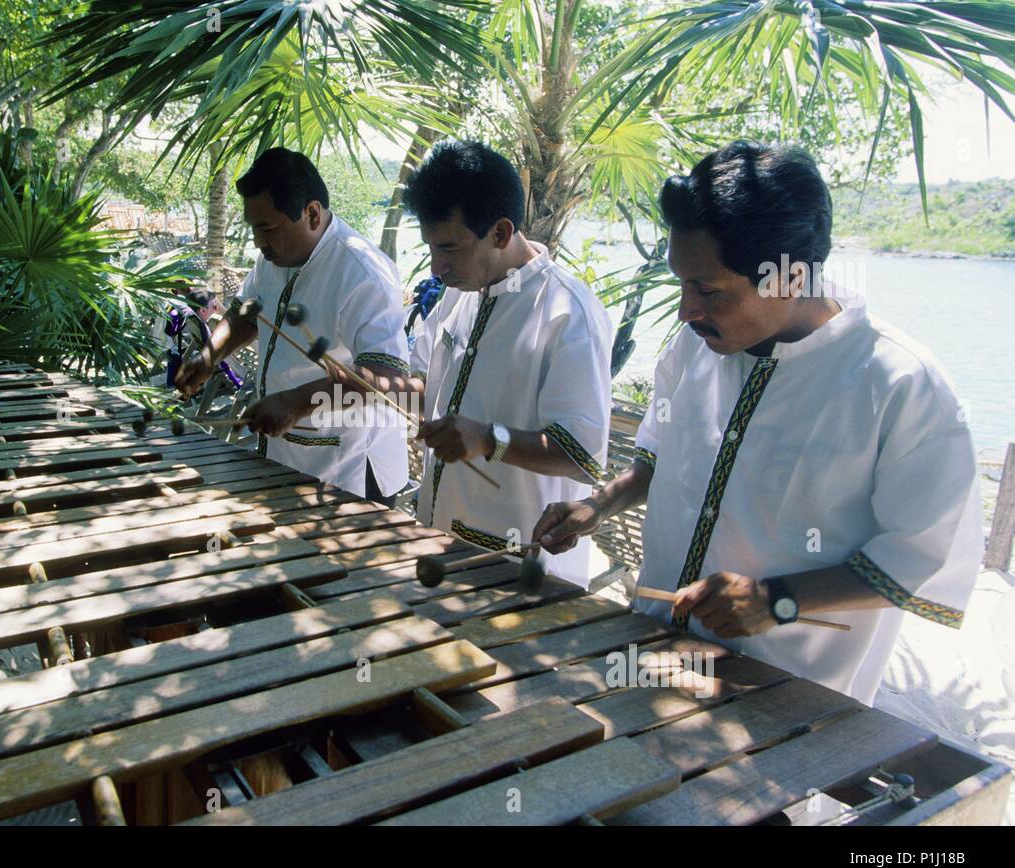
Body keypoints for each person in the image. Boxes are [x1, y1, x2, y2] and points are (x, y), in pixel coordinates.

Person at [532, 140, 983, 703]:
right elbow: (656, 456)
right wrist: (597, 504)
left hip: (780, 694)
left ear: (789, 277)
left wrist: (776, 600)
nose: (685, 309)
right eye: (681, 283)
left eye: (709, 290)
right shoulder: (692, 348)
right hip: (647, 651)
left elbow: (920, 560)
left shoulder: (899, 384)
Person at [405, 140, 614, 586]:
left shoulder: (568, 313)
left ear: (500, 233)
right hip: (440, 545)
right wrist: (357, 388)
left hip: (520, 568)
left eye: (450, 249)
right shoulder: (457, 296)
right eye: (430, 249)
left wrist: (488, 438)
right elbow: (426, 383)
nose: (436, 267)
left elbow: (583, 456)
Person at [175, 148, 411, 504]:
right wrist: (209, 356)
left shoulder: (362, 272)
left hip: (350, 471)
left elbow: (382, 376)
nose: (258, 241)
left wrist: (294, 403)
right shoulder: (275, 256)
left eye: (267, 228)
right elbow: (247, 312)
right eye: (254, 228)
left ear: (312, 213)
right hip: (288, 456)